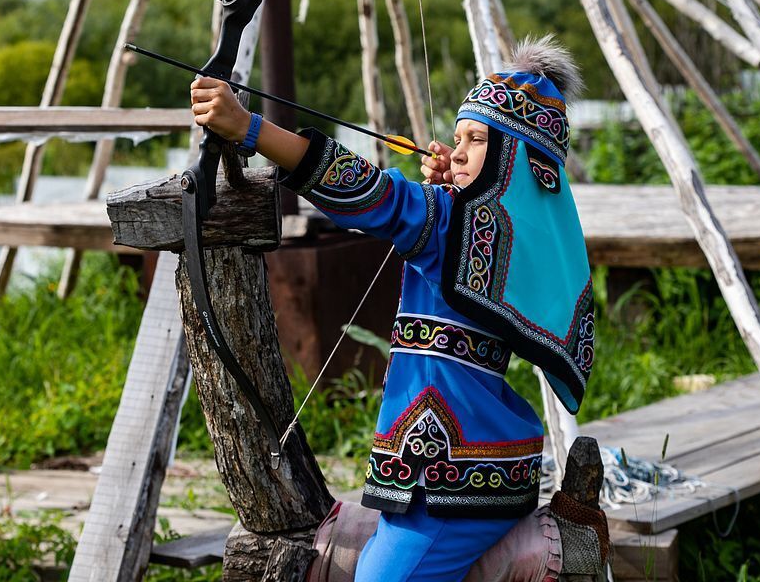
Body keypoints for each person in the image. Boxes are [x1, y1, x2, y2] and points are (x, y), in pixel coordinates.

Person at [190, 35, 594, 582]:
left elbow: (371, 193)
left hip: (449, 480)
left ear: (513, 157)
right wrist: (453, 190)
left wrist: (251, 130)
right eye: (457, 138)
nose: (458, 152)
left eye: (478, 140)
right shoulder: (516, 237)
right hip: (465, 468)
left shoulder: (453, 222)